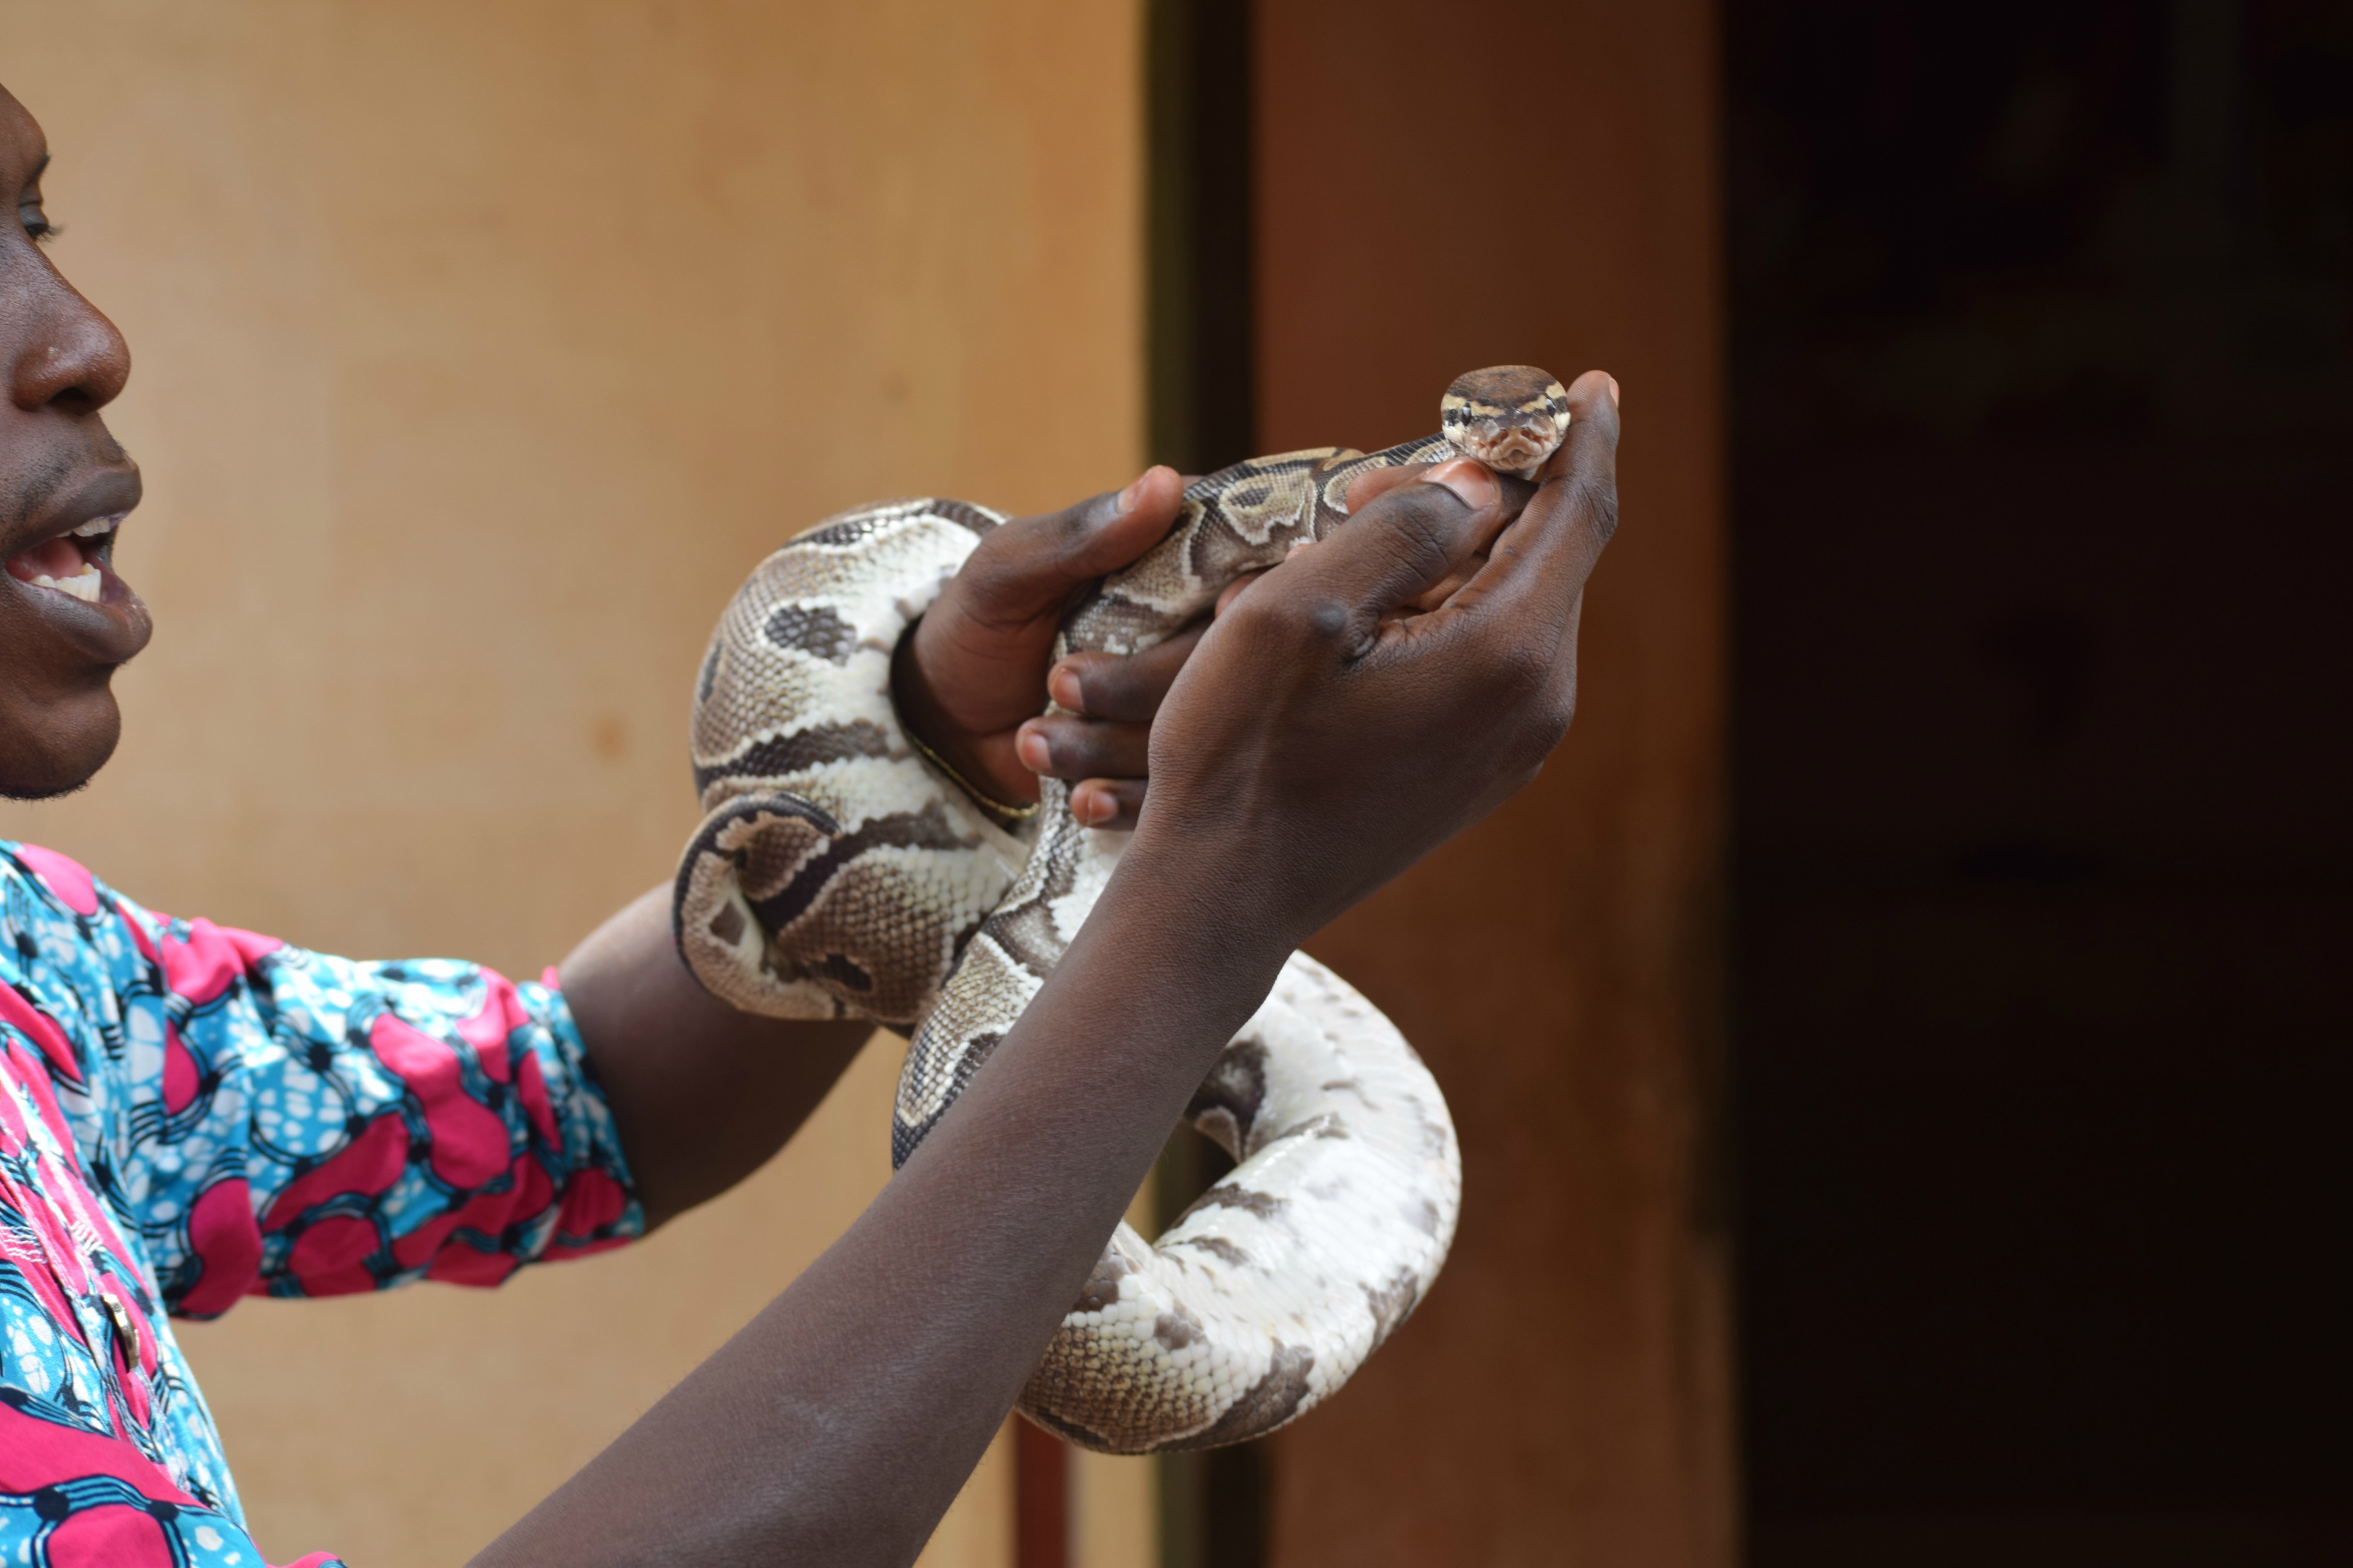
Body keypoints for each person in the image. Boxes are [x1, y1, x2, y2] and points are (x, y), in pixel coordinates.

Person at [0, 79, 1618, 1568]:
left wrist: (909, 755)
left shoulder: (35, 964)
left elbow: (572, 1099)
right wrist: (1216, 889)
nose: (86, 338)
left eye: (34, 224)